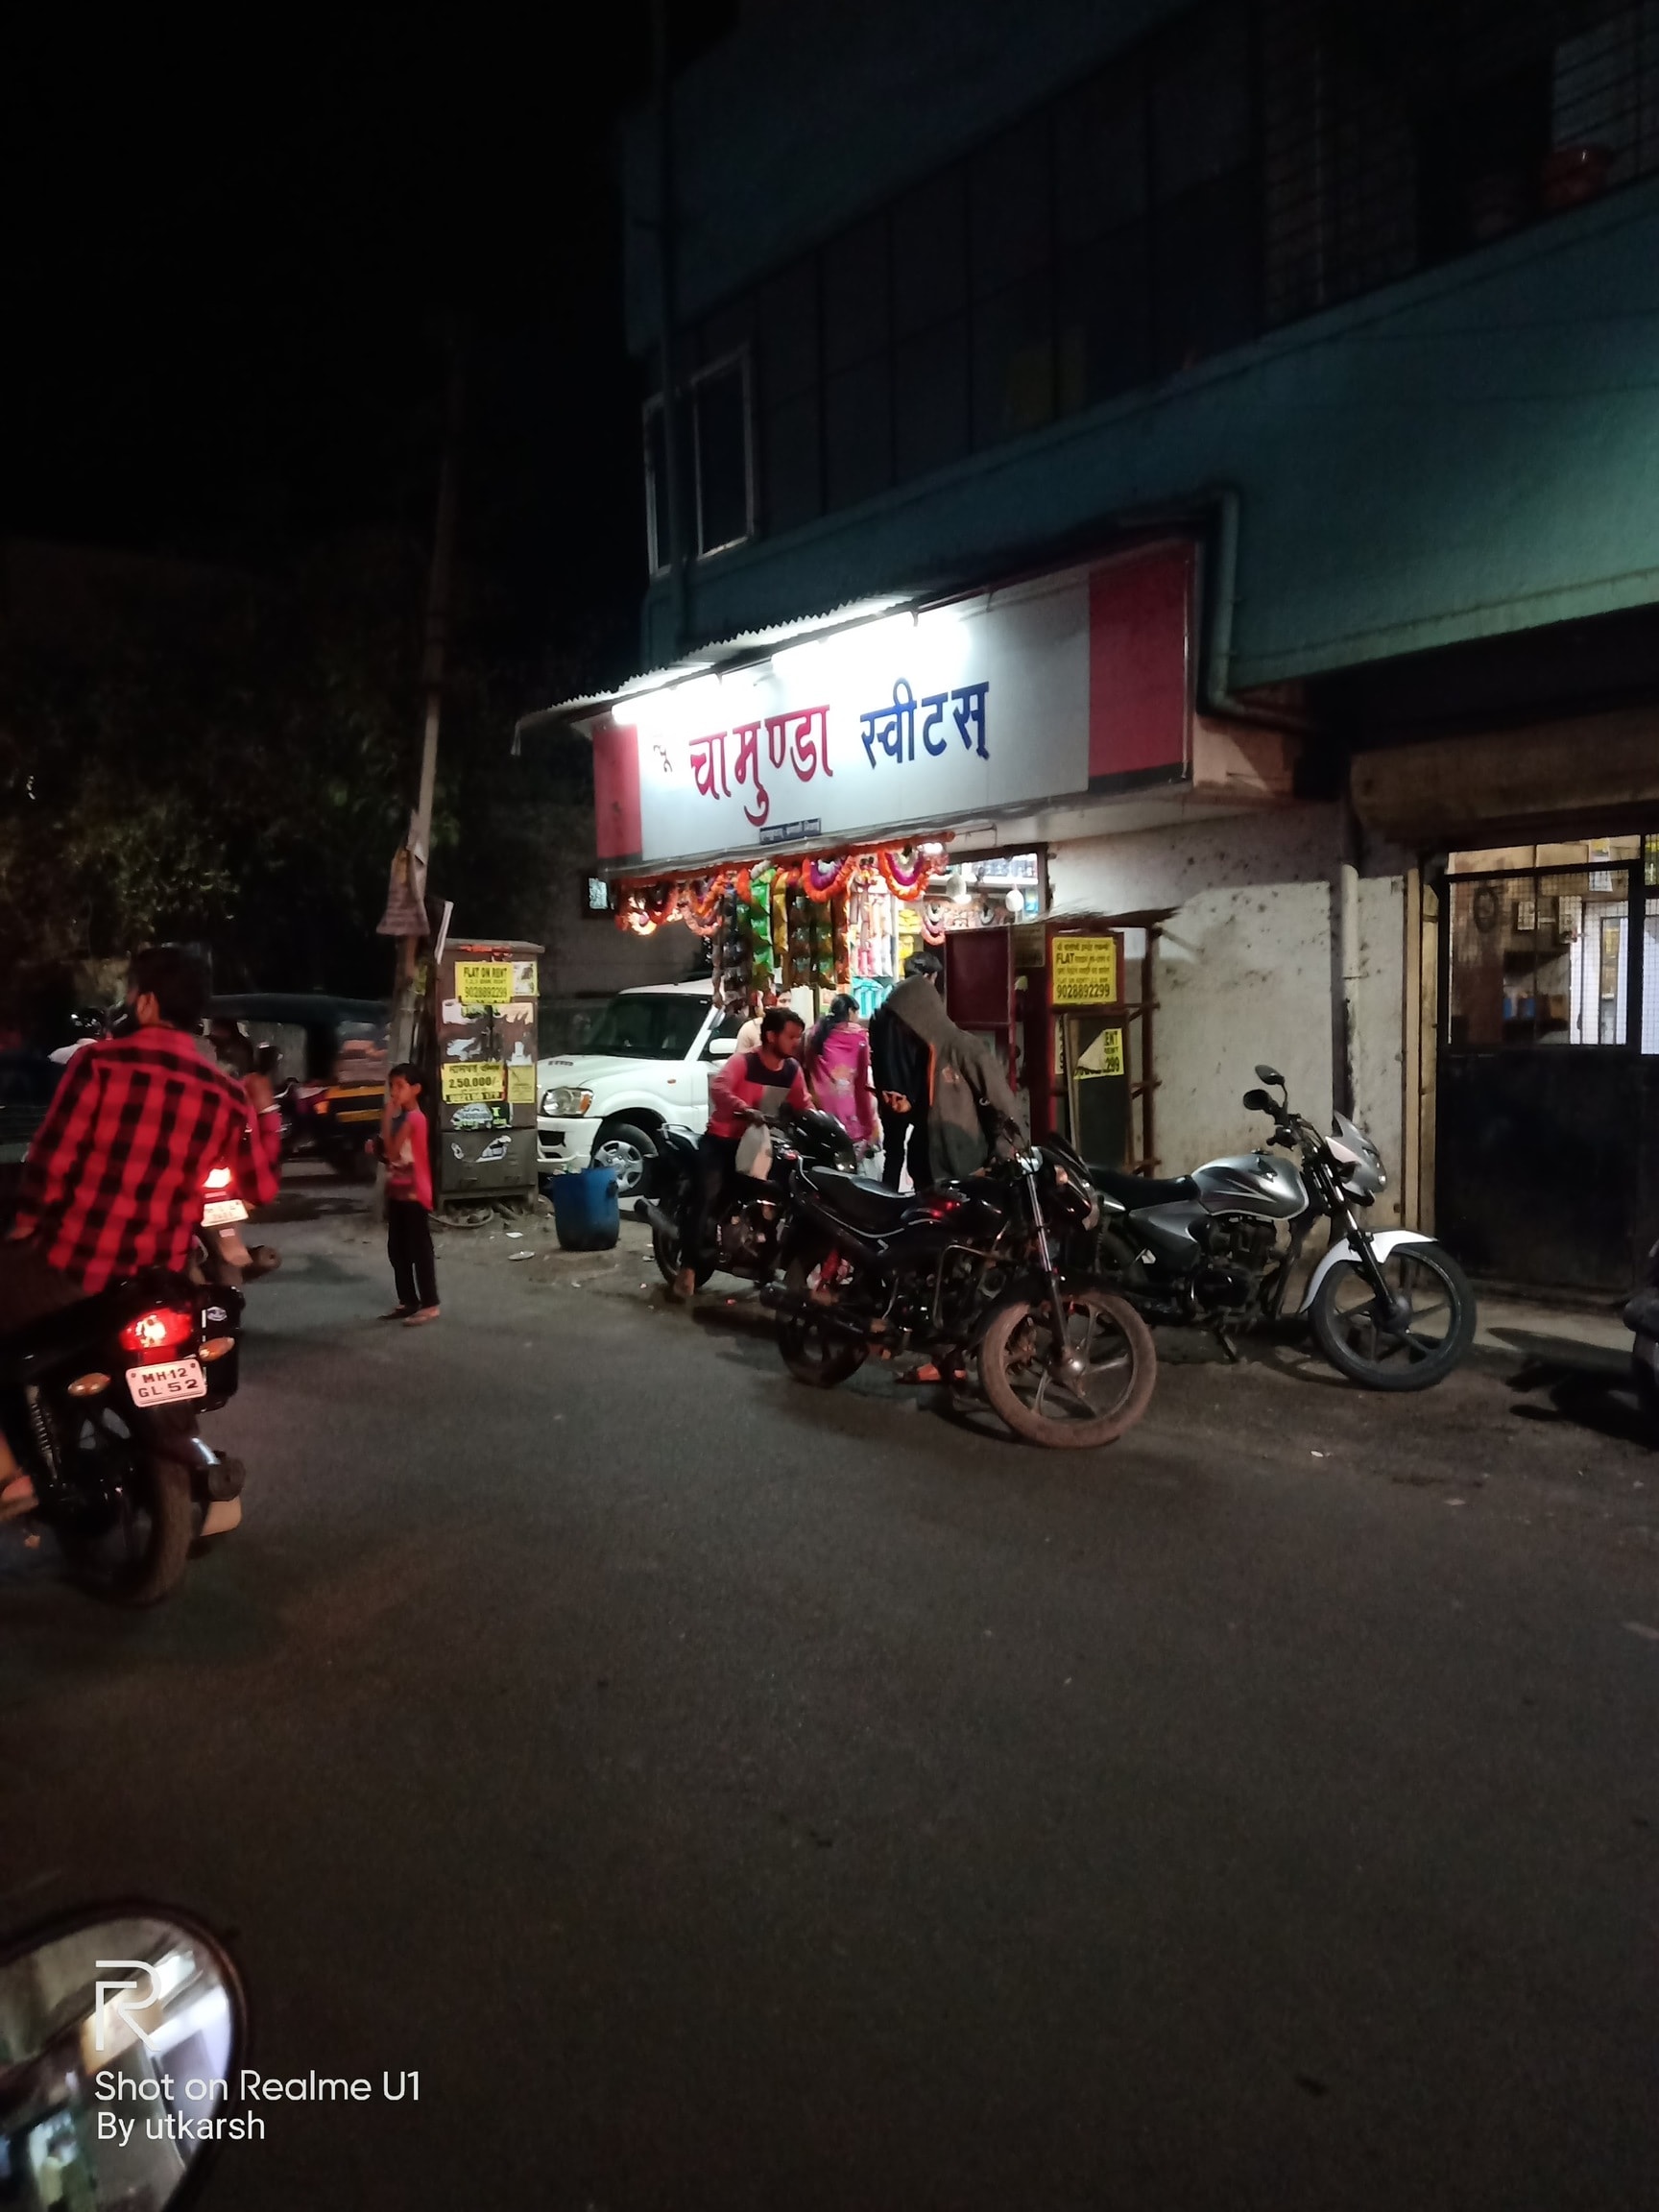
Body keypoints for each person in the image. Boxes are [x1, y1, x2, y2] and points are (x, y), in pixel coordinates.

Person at [0, 945, 281, 1517]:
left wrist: (25, 1226)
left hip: (76, 1268)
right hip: (161, 1278)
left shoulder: (100, 1066)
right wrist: (266, 1111)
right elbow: (259, 1187)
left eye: (132, 993)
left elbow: (51, 1164)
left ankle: (10, 1475)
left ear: (147, 1003)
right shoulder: (226, 1094)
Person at [672, 1005, 809, 1300]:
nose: (796, 1043)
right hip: (724, 1141)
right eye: (791, 1037)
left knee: (784, 1194)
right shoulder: (743, 1062)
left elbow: (804, 1105)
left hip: (763, 1144)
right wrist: (743, 1109)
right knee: (708, 1195)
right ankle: (689, 1267)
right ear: (771, 1036)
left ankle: (764, 1260)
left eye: (798, 1037)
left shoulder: (792, 1070)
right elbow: (720, 1088)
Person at [869, 950, 1022, 1190]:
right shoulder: (924, 1052)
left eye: (903, 1021)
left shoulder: (964, 1048)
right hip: (928, 1172)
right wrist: (907, 1109)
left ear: (920, 1015)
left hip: (965, 1170)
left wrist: (1005, 1157)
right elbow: (931, 1109)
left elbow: (1004, 1106)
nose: (901, 1029)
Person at [869, 952, 943, 1190]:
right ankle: (922, 1201)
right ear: (927, 978)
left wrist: (885, 1090)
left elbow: (876, 1057)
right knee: (922, 1153)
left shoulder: (882, 1011)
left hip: (889, 1095)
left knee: (893, 1155)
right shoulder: (924, 1014)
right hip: (918, 1096)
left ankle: (887, 1202)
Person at [379, 1063, 439, 1325]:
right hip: (398, 1190)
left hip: (414, 1192)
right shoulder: (403, 1118)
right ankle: (408, 1300)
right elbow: (391, 1154)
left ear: (416, 1089)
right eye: (392, 1086)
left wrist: (385, 1117)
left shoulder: (414, 1119)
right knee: (397, 1248)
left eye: (400, 1086)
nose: (394, 1092)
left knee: (419, 1249)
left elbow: (392, 1152)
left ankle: (430, 1303)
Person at [803, 993, 877, 1153]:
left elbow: (808, 1066)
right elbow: (862, 1077)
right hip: (848, 1107)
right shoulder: (859, 1037)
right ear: (850, 1011)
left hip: (819, 1105)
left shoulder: (815, 1033)